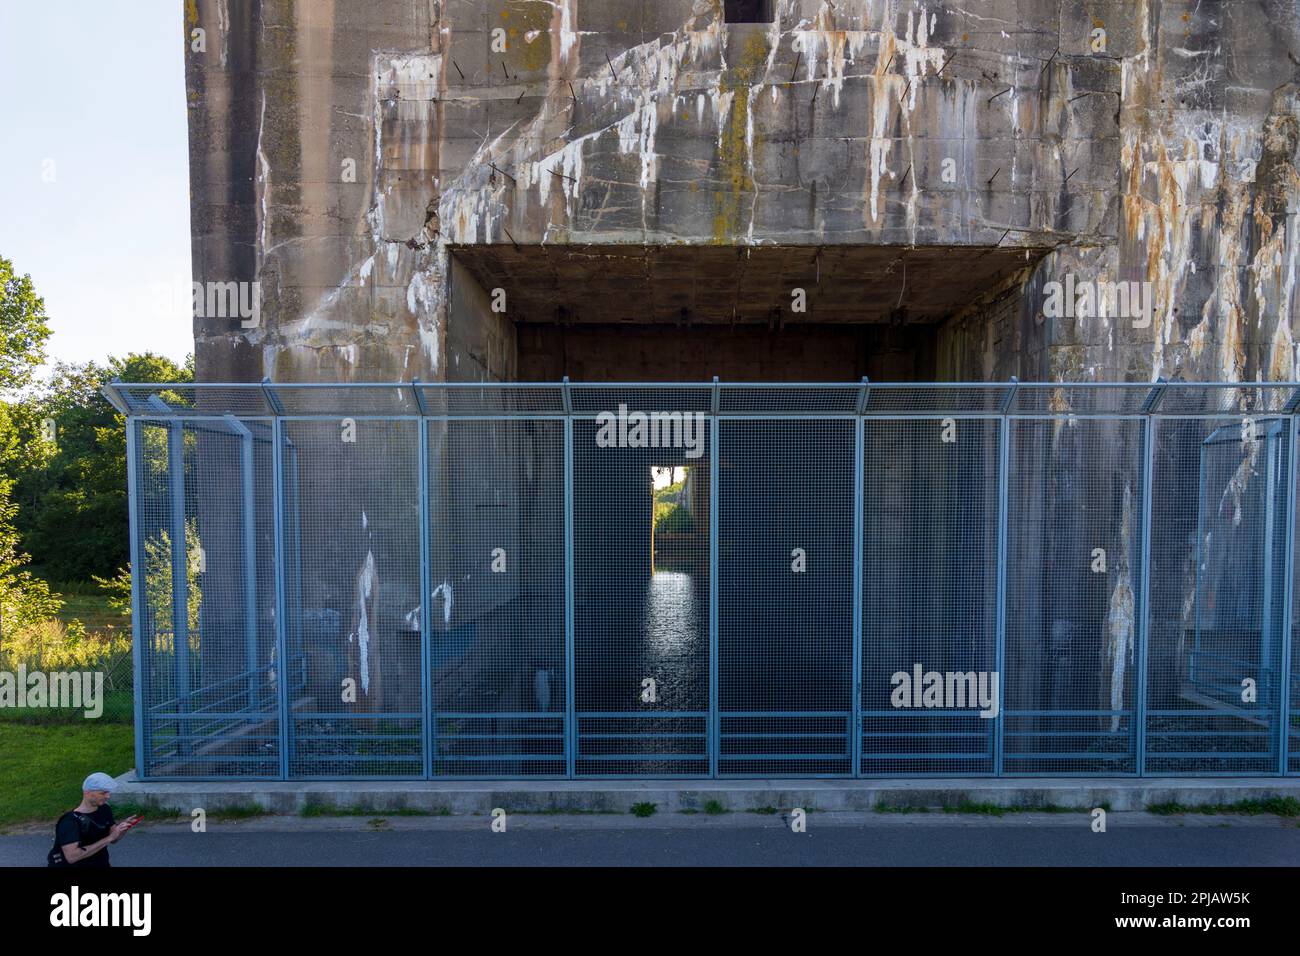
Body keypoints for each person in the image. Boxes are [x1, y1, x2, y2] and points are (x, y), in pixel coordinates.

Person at [46, 772, 138, 867]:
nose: (108, 796)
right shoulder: (70, 822)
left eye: (108, 792)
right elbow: (72, 857)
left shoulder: (105, 809)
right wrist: (109, 838)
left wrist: (123, 828)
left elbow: (114, 839)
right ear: (87, 793)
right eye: (102, 793)